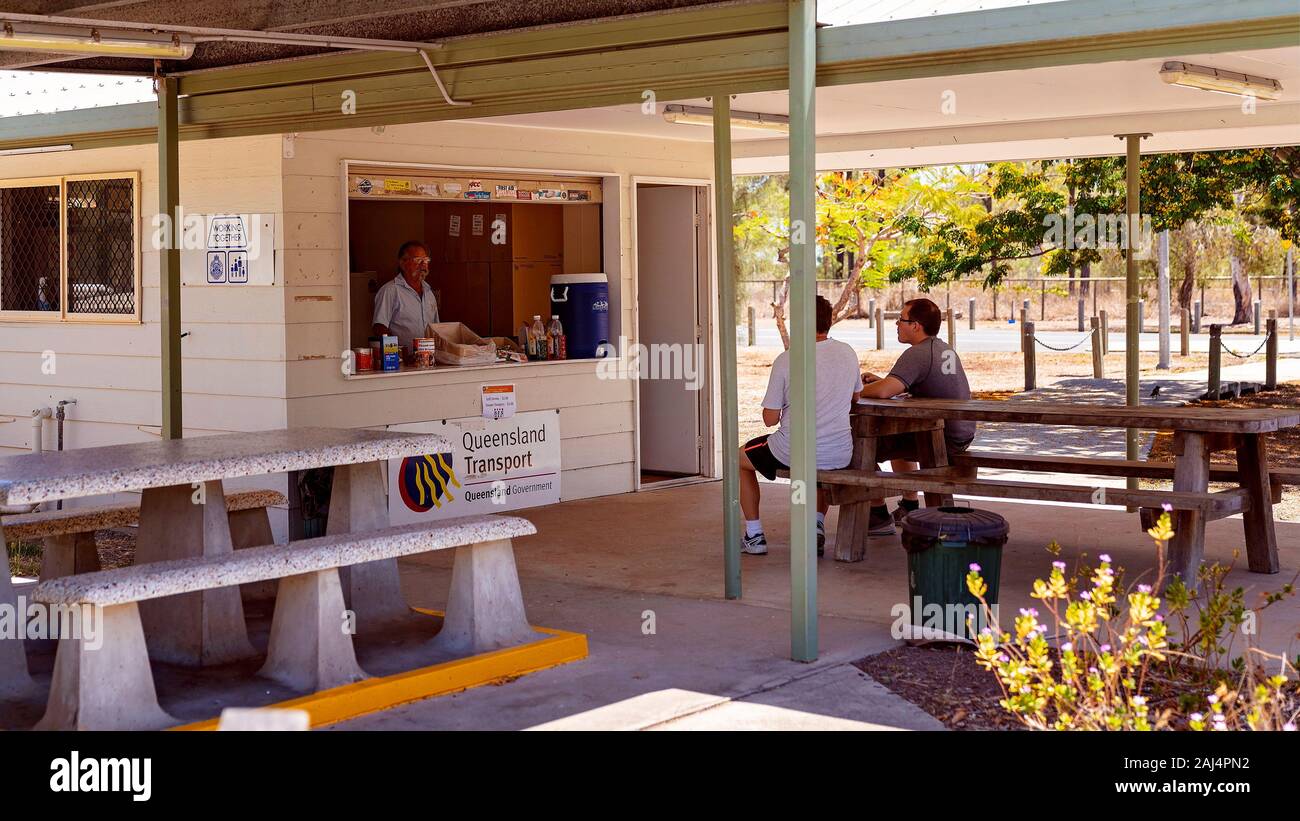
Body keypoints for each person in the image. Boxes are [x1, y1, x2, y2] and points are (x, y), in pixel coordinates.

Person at [739, 296, 861, 557]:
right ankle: (815, 524)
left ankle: (754, 533)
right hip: (840, 452)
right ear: (828, 321)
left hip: (793, 450)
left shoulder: (787, 359)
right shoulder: (848, 352)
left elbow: (770, 419)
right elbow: (856, 396)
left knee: (737, 459)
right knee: (817, 465)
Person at [857, 297, 975, 536]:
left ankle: (877, 515)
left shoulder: (918, 353)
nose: (897, 324)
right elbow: (907, 385)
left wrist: (852, 390)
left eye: (901, 320)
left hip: (942, 439)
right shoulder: (942, 348)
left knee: (859, 448)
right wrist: (884, 381)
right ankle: (910, 505)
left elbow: (883, 392)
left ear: (916, 325)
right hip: (959, 433)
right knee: (899, 436)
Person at [372, 240, 440, 349]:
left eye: (426, 260)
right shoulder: (391, 290)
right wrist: (397, 354)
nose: (423, 265)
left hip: (428, 359)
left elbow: (437, 329)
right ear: (403, 263)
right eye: (418, 260)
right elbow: (380, 328)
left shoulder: (429, 293)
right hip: (402, 361)